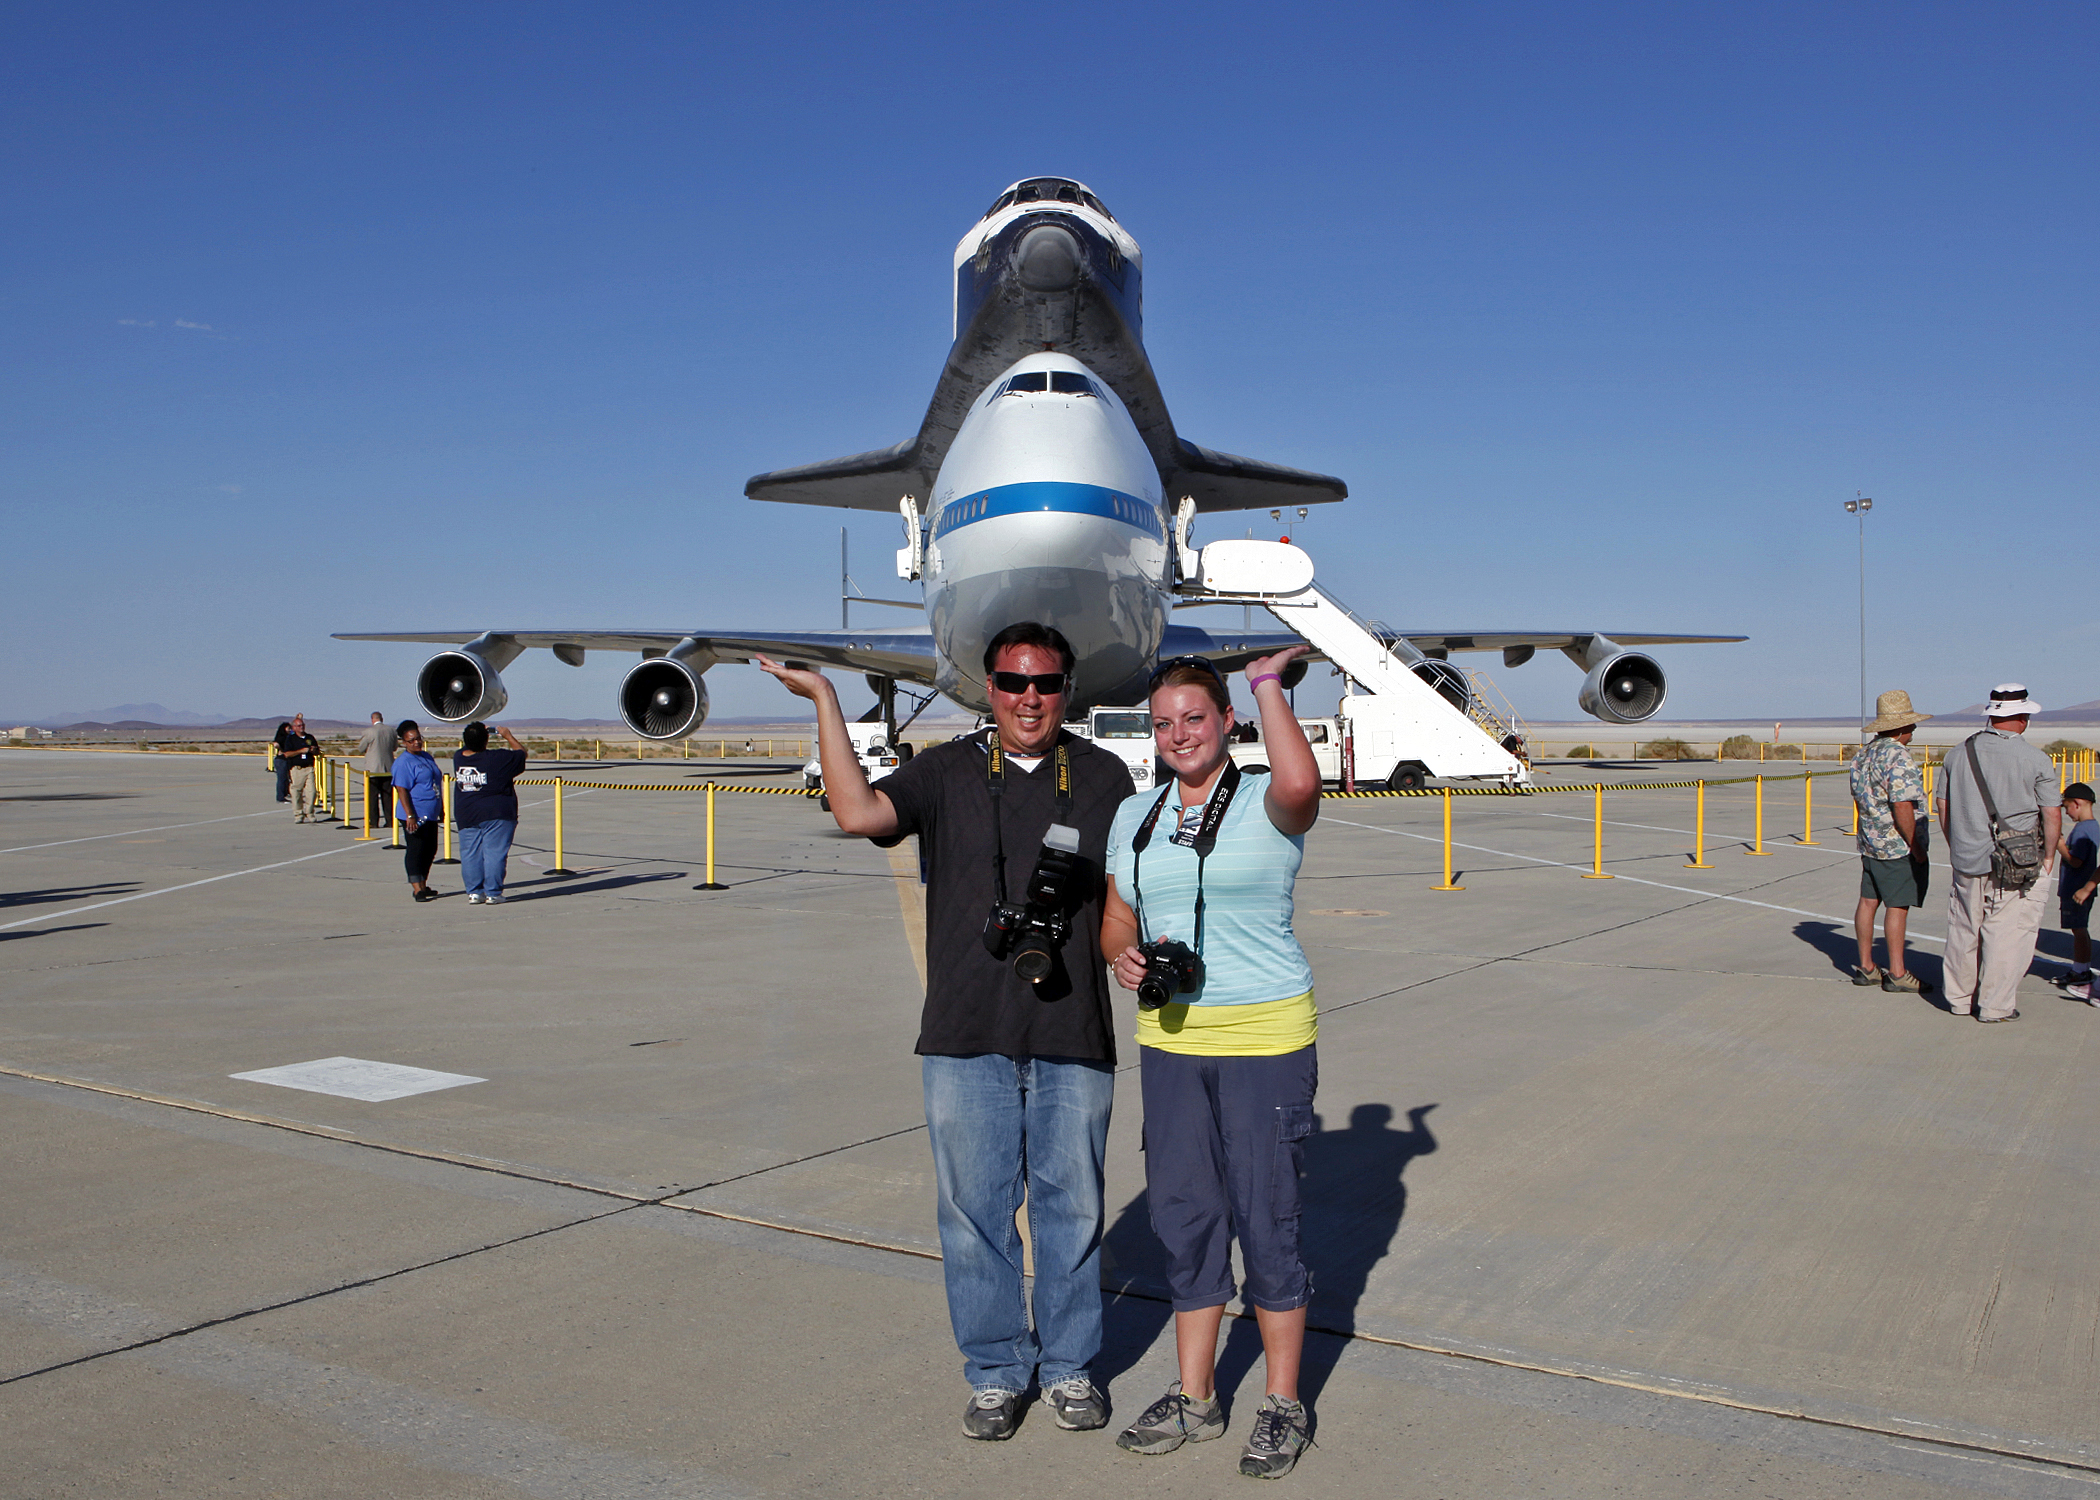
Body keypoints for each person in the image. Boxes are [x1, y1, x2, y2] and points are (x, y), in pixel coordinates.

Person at [759, 624, 1132, 1441]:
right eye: (1010, 682)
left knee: (1073, 1212)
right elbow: (858, 813)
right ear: (985, 687)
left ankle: (1069, 1368)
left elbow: (1125, 898)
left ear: (1069, 688)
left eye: (1045, 683)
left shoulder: (1105, 775)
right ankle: (999, 1371)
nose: (1027, 698)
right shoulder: (948, 768)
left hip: (1074, 1030)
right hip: (965, 1034)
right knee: (973, 1217)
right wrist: (825, 699)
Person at [1101, 645, 1323, 1480]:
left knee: (1269, 1221)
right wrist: (1121, 957)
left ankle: (1281, 1402)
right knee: (1185, 1217)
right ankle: (1196, 1396)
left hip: (1264, 1039)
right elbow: (1117, 916)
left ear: (1227, 720)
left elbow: (1302, 786)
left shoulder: (1270, 799)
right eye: (1163, 724)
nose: (1178, 735)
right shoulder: (1138, 815)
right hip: (1171, 1041)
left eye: (1195, 718)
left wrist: (1268, 684)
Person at [1935, 685, 2061, 1022]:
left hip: (1967, 857)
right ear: (2021, 718)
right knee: (2005, 932)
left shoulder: (1958, 754)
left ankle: (1959, 999)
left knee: (1963, 928)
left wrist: (1956, 843)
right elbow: (2051, 813)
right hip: (2016, 862)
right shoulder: (2035, 759)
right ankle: (1994, 1005)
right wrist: (2048, 856)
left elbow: (1943, 805)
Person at [1848, 689, 1933, 993]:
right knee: (1897, 905)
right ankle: (1897, 972)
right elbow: (1902, 805)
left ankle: (1866, 966)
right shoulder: (1897, 756)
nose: (1913, 730)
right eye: (1910, 725)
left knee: (1868, 901)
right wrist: (1916, 846)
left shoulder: (1863, 755)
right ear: (1899, 727)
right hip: (1896, 845)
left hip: (1870, 840)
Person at [454, 721, 527, 904]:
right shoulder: (497, 758)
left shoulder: (459, 758)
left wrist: (474, 734)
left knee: (470, 854)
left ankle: (474, 892)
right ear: (486, 740)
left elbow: (470, 745)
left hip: (467, 813)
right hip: (496, 812)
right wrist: (508, 736)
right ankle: (493, 892)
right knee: (494, 853)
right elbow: (521, 754)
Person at [389, 720, 445, 902]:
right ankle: (417, 888)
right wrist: (410, 815)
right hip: (414, 814)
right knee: (416, 849)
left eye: (418, 738)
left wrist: (441, 807)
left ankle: (423, 882)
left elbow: (436, 783)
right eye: (411, 740)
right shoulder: (403, 762)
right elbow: (402, 790)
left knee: (430, 849)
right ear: (404, 742)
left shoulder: (426, 757)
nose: (416, 743)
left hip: (431, 812)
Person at [2054, 781, 2098, 1001]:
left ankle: (2081, 972)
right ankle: (2080, 969)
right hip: (2080, 888)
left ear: (2078, 804)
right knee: (2079, 929)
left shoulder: (2083, 830)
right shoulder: (2092, 827)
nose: (2067, 812)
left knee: (2079, 930)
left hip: (2076, 888)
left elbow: (2076, 861)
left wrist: (2060, 845)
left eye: (2067, 806)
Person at [355, 712, 399, 829]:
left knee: (372, 797)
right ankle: (390, 821)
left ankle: (373, 822)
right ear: (382, 719)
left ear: (372, 719)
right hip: (388, 768)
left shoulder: (369, 732)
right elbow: (395, 747)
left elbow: (361, 748)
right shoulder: (391, 731)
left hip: (373, 770)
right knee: (388, 796)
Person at [280, 714, 319, 822]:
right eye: (298, 725)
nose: (301, 727)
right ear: (294, 727)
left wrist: (313, 750)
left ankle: (310, 813)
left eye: (302, 725)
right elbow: (287, 754)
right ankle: (298, 814)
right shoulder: (291, 739)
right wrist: (301, 751)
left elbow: (317, 751)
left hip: (309, 768)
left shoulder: (309, 737)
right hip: (297, 769)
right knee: (296, 793)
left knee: (312, 792)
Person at [271, 720, 295, 803]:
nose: (289, 730)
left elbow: (294, 731)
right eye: (288, 728)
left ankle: (285, 793)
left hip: (287, 759)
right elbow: (276, 744)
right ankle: (280, 797)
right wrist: (279, 747)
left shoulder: (289, 737)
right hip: (281, 760)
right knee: (282, 779)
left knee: (287, 778)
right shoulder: (281, 738)